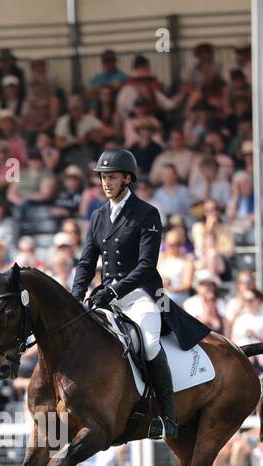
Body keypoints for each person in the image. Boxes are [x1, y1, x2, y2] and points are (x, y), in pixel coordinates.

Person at [69, 147, 180, 438]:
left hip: (141, 296)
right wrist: (76, 294)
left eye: (112, 177)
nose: (106, 183)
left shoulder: (147, 213)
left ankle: (167, 416)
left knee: (150, 342)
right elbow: (86, 261)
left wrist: (114, 290)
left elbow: (146, 265)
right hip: (107, 296)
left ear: (127, 179)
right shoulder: (97, 216)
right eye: (103, 177)